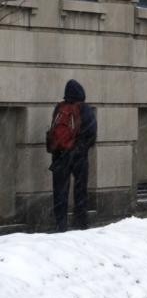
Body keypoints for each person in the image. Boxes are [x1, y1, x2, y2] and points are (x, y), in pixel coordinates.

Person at [49, 79, 97, 232]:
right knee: (80, 190)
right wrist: (80, 149)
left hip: (60, 155)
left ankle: (60, 225)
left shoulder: (59, 108)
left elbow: (53, 132)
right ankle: (80, 223)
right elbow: (91, 134)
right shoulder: (85, 109)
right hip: (79, 156)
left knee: (60, 192)